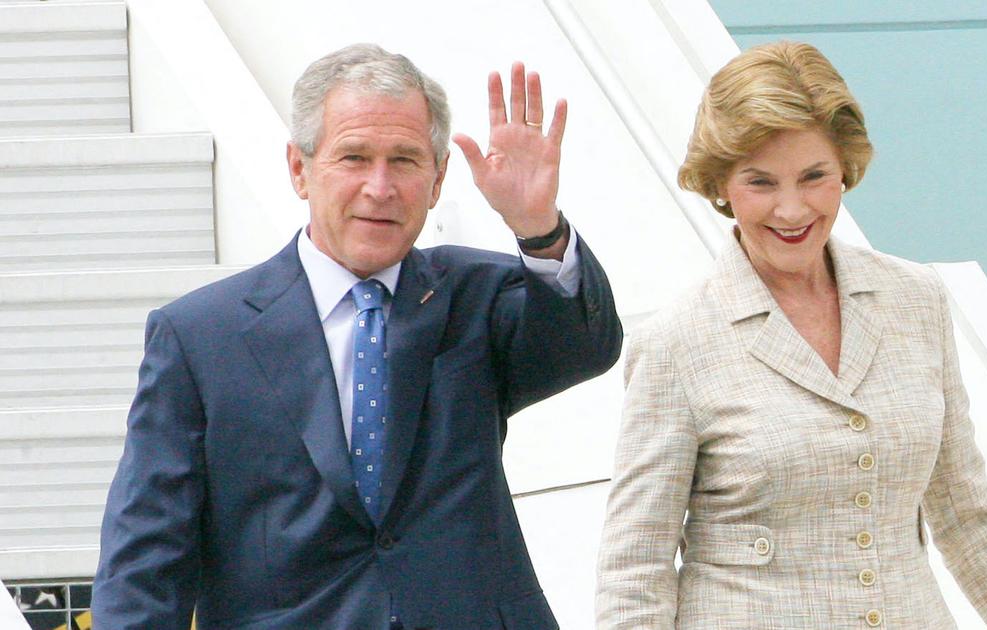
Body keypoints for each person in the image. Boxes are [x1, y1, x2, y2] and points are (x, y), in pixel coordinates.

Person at [93, 43, 621, 629]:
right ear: (300, 168)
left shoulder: (474, 297)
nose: (380, 187)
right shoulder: (200, 337)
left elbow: (584, 343)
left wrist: (538, 228)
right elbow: (148, 551)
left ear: (439, 178)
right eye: (354, 157)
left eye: (405, 160)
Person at [594, 41, 987, 629]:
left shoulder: (916, 300)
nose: (793, 209)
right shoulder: (676, 343)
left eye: (814, 176)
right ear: (720, 183)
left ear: (845, 170)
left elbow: (972, 522)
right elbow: (635, 573)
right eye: (761, 182)